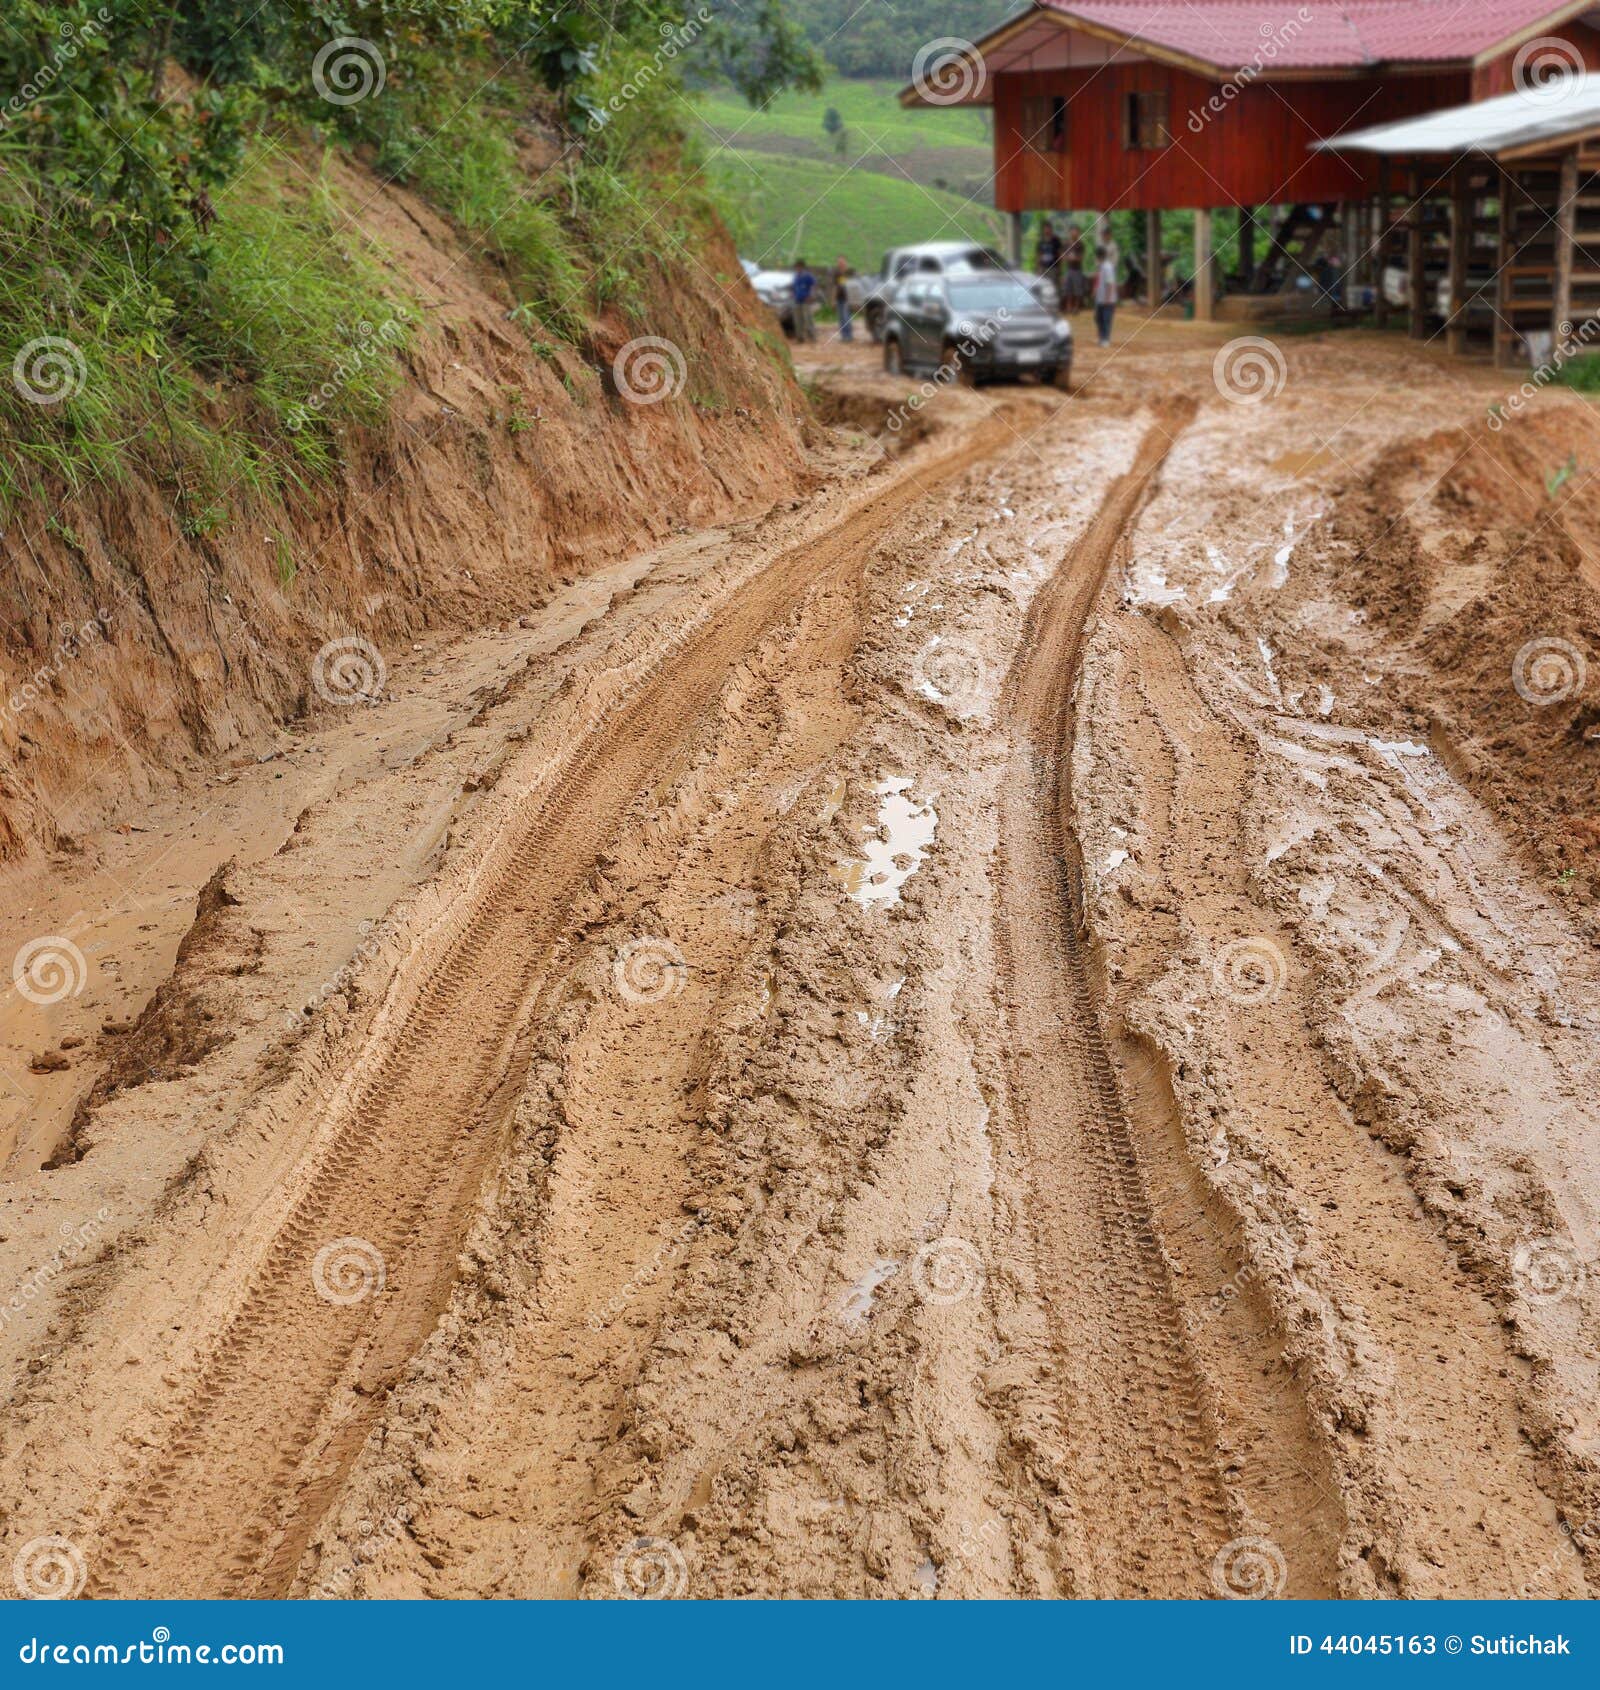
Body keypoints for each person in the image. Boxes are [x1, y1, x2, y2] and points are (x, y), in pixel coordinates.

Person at [1093, 243, 1118, 346]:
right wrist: (1095, 291)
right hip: (1100, 298)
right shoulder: (1101, 266)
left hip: (1107, 300)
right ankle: (1101, 337)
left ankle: (1105, 339)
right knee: (1098, 318)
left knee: (1106, 319)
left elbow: (1110, 284)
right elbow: (1099, 281)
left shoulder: (1107, 267)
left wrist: (1108, 298)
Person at [1062, 222, 1086, 312]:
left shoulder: (1080, 244)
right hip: (1068, 269)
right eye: (1072, 231)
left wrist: (1073, 258)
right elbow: (1063, 257)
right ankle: (1069, 307)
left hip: (1077, 270)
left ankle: (1076, 307)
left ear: (1079, 232)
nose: (1074, 233)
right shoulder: (1066, 244)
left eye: (1076, 231)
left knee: (1077, 290)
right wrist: (1070, 258)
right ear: (1070, 232)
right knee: (1068, 289)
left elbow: (1081, 258)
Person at [792, 258, 817, 343]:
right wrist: (794, 295)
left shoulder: (808, 276)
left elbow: (813, 286)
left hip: (806, 299)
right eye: (796, 267)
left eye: (798, 267)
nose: (797, 269)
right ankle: (800, 337)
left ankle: (812, 336)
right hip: (797, 300)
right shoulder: (796, 276)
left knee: (808, 318)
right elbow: (794, 287)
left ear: (802, 267)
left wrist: (811, 296)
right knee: (798, 320)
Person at [832, 257, 853, 342]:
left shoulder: (849, 273)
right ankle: (844, 335)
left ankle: (848, 335)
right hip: (839, 298)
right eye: (839, 262)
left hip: (847, 299)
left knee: (846, 317)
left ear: (845, 263)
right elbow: (836, 287)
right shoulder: (837, 274)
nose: (840, 264)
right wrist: (833, 299)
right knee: (841, 318)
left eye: (842, 262)